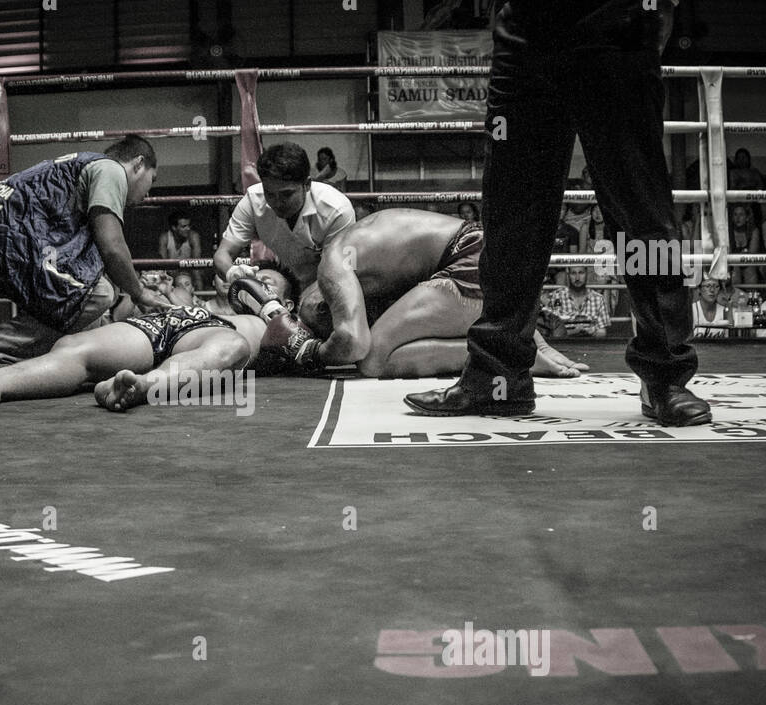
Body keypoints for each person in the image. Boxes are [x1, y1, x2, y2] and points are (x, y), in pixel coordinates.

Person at [405, 0, 712, 426]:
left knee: (643, 216)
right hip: (525, 36)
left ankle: (666, 378)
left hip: (617, 29)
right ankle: (498, 377)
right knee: (512, 217)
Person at [0, 266, 302, 411]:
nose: (256, 285)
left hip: (221, 338)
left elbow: (315, 345)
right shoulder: (209, 300)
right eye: (255, 279)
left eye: (267, 283)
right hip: (171, 324)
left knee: (231, 349)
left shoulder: (286, 325)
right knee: (77, 349)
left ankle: (143, 386)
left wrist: (279, 317)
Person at [258, 208, 589, 378]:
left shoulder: (332, 266)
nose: (325, 324)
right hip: (491, 259)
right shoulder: (367, 258)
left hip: (470, 260)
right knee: (384, 339)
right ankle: (517, 344)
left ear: (315, 299)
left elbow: (354, 343)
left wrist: (311, 350)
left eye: (316, 320)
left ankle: (512, 356)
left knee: (372, 361)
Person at [0, 135, 171, 369]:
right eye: (151, 180)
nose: (148, 193)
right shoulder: (111, 170)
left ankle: (64, 365)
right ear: (138, 164)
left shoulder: (79, 169)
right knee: (96, 294)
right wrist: (139, 292)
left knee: (88, 297)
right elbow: (112, 247)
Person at [213, 142, 354, 295]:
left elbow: (341, 275)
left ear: (307, 184)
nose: (278, 202)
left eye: (287, 194)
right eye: (270, 194)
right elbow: (222, 255)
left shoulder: (336, 210)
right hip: (287, 285)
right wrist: (232, 273)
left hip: (329, 286)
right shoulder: (253, 200)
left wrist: (305, 305)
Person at [542, 266, 610, 338]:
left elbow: (603, 332)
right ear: (568, 275)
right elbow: (550, 331)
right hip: (563, 345)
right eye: (573, 273)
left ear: (587, 274)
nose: (577, 278)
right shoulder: (556, 297)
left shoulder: (598, 299)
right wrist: (575, 331)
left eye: (581, 273)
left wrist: (593, 332)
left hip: (590, 345)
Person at [158, 211, 206, 290]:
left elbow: (197, 266)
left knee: (199, 273)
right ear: (174, 227)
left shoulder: (193, 236)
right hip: (170, 276)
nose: (188, 228)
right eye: (184, 226)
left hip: (189, 277)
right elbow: (162, 266)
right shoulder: (165, 237)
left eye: (189, 225)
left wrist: (200, 295)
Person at [727, 203, 762, 289]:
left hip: (748, 262)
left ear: (747, 218)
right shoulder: (728, 232)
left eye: (741, 214)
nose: (738, 218)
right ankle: (734, 299)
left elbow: (752, 254)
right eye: (735, 215)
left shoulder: (754, 231)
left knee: (750, 269)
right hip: (732, 264)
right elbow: (728, 253)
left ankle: (752, 298)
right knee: (735, 268)